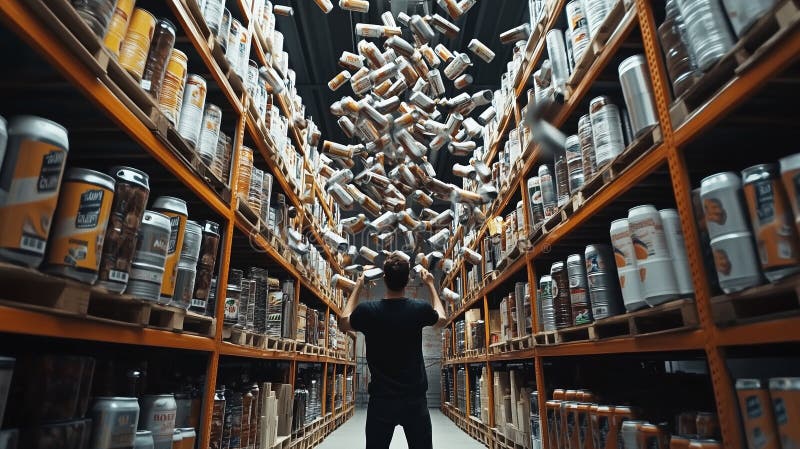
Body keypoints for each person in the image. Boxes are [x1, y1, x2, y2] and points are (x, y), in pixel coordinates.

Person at [339, 252, 447, 449]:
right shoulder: (419, 309)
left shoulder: (368, 311)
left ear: (384, 278)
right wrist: (431, 284)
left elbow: (343, 323)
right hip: (414, 401)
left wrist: (358, 286)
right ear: (408, 280)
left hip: (381, 401)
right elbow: (442, 319)